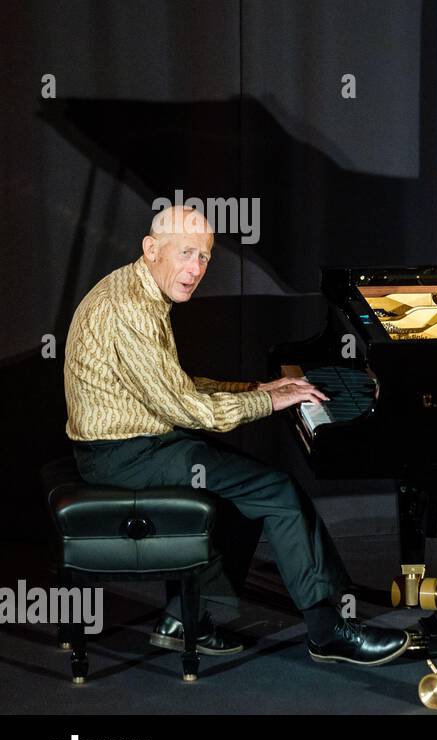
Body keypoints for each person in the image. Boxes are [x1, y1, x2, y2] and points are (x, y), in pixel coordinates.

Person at [63, 205, 409, 666]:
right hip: (122, 455)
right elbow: (186, 408)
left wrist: (257, 388)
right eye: (186, 254)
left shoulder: (136, 287)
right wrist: (268, 402)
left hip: (134, 444)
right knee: (277, 490)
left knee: (243, 490)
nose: (195, 270)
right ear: (151, 249)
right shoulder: (132, 309)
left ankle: (185, 619)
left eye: (204, 258)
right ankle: (330, 633)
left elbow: (173, 386)